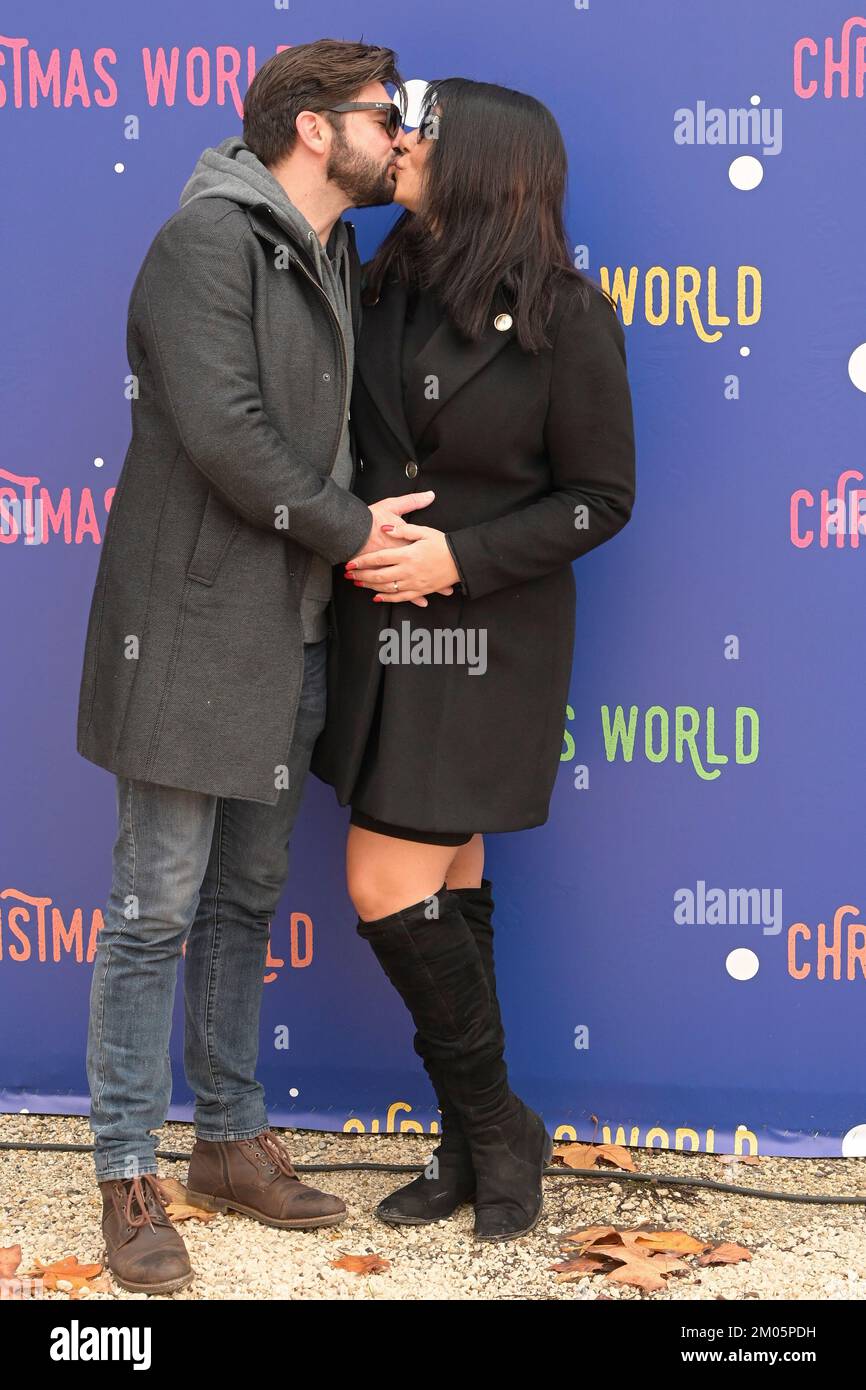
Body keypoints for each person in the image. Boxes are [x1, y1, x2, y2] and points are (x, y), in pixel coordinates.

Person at [74, 39, 431, 1294]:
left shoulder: (326, 244)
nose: (404, 134)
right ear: (313, 127)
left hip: (289, 632)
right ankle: (127, 1166)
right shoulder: (207, 243)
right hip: (188, 631)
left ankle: (226, 1138)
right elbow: (225, 430)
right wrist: (353, 532)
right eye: (389, 115)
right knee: (154, 908)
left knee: (240, 902)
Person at [312, 78, 637, 1241]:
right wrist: (361, 522)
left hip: (486, 635)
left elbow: (601, 500)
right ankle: (469, 1142)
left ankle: (498, 1125)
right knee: (447, 878)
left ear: (484, 159)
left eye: (423, 131)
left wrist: (457, 556)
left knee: (379, 880)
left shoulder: (566, 315)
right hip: (378, 630)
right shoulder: (376, 277)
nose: (399, 143)